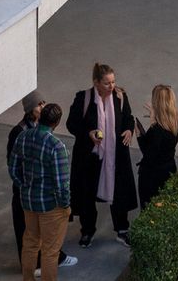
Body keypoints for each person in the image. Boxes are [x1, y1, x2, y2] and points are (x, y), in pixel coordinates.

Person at [67, 62, 138, 247]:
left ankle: (122, 230)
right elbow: (71, 124)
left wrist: (129, 130)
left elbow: (129, 118)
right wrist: (88, 134)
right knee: (87, 195)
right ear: (96, 82)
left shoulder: (120, 97)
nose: (111, 86)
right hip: (91, 156)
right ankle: (87, 231)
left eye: (113, 82)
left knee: (119, 192)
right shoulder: (84, 98)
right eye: (107, 83)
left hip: (115, 155)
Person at [8, 101, 75, 281]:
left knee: (30, 244)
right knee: (50, 251)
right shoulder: (56, 146)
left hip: (29, 202)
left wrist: (24, 186)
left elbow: (13, 168)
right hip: (51, 206)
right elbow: (62, 184)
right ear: (57, 122)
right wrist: (66, 206)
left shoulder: (23, 137)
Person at [135, 85, 178, 209]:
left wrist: (139, 135)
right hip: (169, 170)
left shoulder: (157, 129)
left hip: (152, 177)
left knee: (149, 209)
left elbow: (149, 154)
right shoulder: (175, 121)